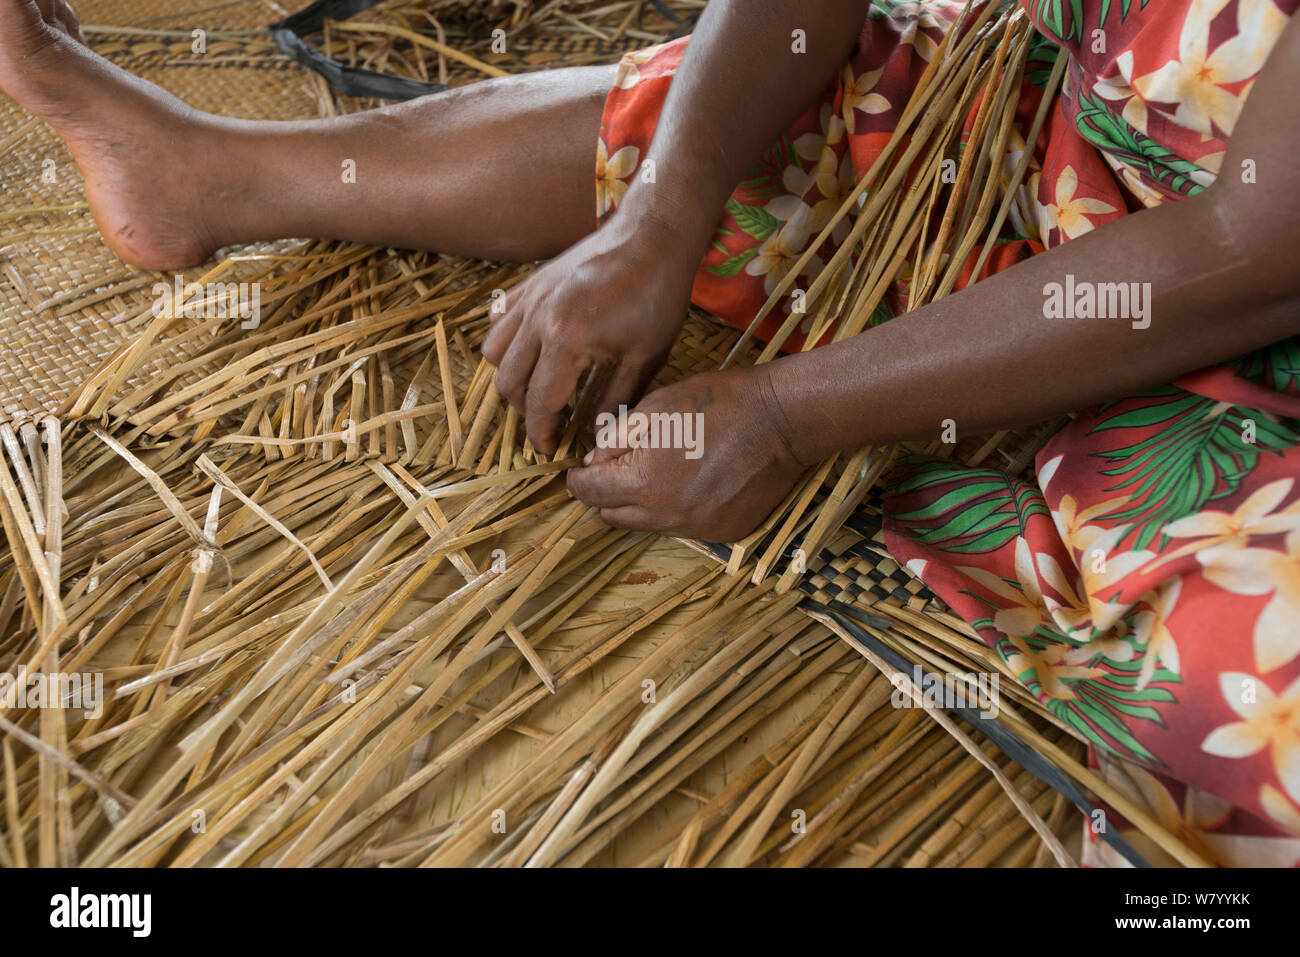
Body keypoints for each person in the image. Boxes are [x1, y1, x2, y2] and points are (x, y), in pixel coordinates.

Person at [3, 0, 1298, 862]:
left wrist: (790, 414)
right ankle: (217, 173)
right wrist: (659, 216)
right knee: (776, 111)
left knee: (1256, 700)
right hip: (1024, 139)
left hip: (1239, 290)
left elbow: (1252, 250)